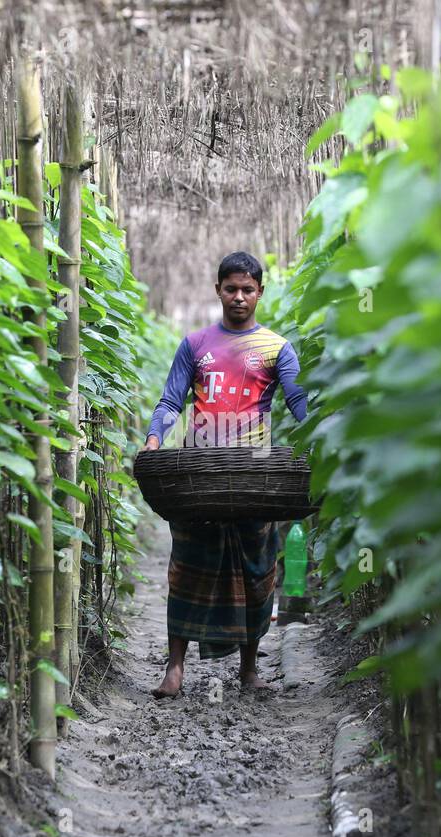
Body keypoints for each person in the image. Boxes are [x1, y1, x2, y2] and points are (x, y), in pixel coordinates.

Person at [140, 251, 309, 699]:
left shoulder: (277, 348)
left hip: (255, 474)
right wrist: (155, 438)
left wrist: (318, 433)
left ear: (260, 293)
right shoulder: (194, 345)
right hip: (200, 471)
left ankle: (249, 669)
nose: (239, 297)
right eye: (231, 289)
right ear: (217, 290)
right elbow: (170, 401)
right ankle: (174, 667)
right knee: (189, 566)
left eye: (247, 290)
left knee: (256, 570)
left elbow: (296, 401)